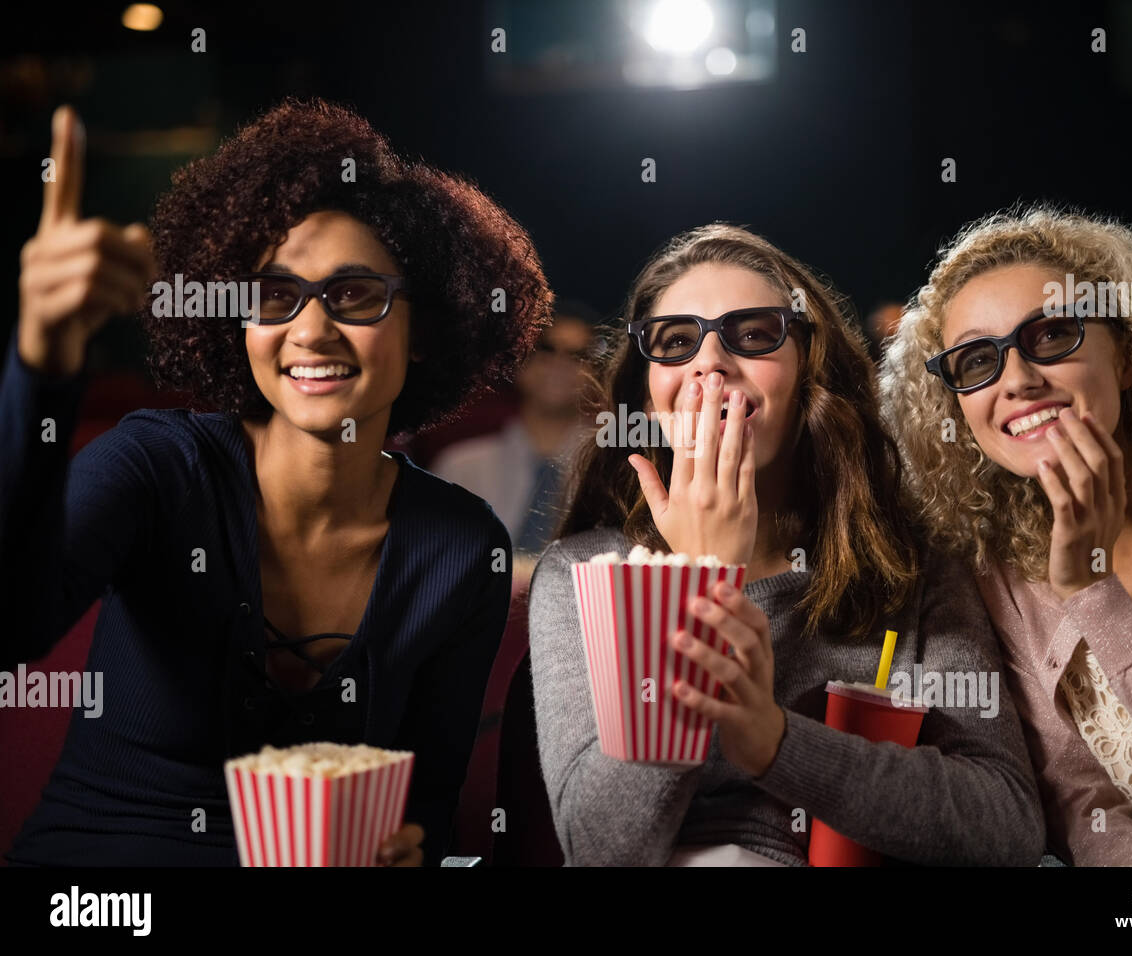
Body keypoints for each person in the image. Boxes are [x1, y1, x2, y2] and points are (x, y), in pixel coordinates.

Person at [2, 100, 551, 865]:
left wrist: (403, 851)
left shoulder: (461, 548)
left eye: (355, 294)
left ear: (423, 329)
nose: (311, 330)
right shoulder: (158, 468)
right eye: (273, 296)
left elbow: (424, 808)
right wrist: (42, 361)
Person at [528, 223, 1045, 866]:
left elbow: (1006, 827)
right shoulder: (582, 573)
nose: (709, 364)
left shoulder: (913, 567)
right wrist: (699, 577)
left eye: (752, 335)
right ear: (645, 392)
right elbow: (601, 847)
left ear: (810, 374)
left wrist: (777, 744)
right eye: (677, 342)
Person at [879, 205, 1132, 866]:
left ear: (1127, 352)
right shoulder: (985, 566)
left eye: (1051, 335)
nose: (1017, 380)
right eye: (976, 360)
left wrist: (1094, 592)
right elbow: (1083, 810)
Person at [431, 299, 601, 587]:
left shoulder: (609, 473)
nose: (559, 364)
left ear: (596, 374)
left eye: (578, 355)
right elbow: (435, 564)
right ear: (521, 364)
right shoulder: (460, 466)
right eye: (546, 348)